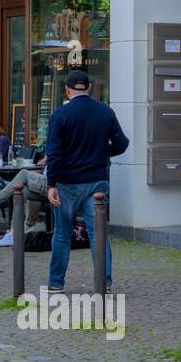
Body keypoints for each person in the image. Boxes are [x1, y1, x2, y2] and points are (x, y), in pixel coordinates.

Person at [44, 70, 129, 293]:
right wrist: (102, 153)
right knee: (98, 233)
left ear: (68, 89)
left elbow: (54, 154)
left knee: (62, 233)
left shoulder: (60, 115)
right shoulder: (105, 112)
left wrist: (51, 184)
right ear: (89, 89)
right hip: (97, 182)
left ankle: (56, 283)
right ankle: (105, 282)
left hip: (67, 182)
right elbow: (122, 143)